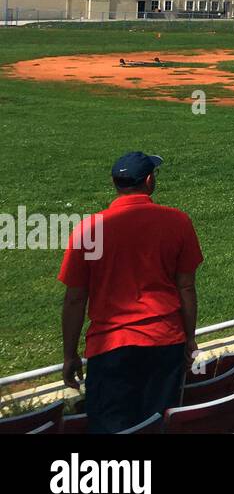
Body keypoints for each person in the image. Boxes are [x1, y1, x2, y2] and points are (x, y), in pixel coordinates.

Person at [59, 152, 203, 433]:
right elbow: (186, 286)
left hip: (109, 348)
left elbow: (75, 298)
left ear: (115, 183)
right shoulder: (178, 221)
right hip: (165, 343)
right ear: (149, 181)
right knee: (157, 426)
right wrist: (189, 339)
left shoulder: (90, 229)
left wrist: (69, 355)